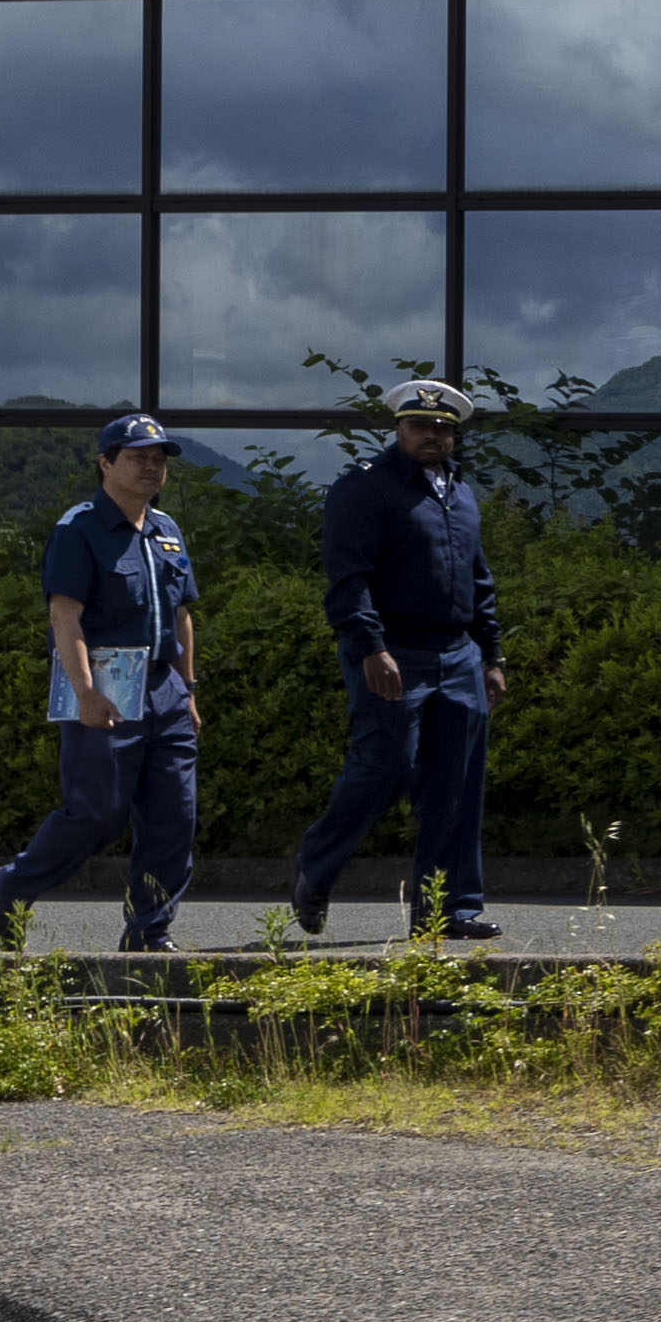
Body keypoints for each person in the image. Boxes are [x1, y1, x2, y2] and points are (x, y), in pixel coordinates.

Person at [289, 380, 507, 941]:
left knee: (454, 784)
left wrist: (492, 654)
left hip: (459, 654)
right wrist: (371, 648)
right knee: (383, 769)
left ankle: (447, 908)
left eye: (442, 429)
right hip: (393, 652)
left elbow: (479, 580)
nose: (431, 436)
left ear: (454, 436)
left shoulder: (458, 490)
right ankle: (316, 866)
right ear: (398, 430)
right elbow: (348, 578)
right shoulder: (365, 488)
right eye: (419, 426)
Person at [0, 414, 202, 955]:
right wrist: (84, 692)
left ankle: (150, 931)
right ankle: (15, 884)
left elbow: (182, 617)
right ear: (105, 464)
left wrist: (188, 691)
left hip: (164, 688)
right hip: (104, 683)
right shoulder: (78, 528)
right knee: (98, 812)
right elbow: (66, 616)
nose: (151, 467)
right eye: (137, 458)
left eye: (159, 460)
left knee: (174, 813)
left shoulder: (166, 531)